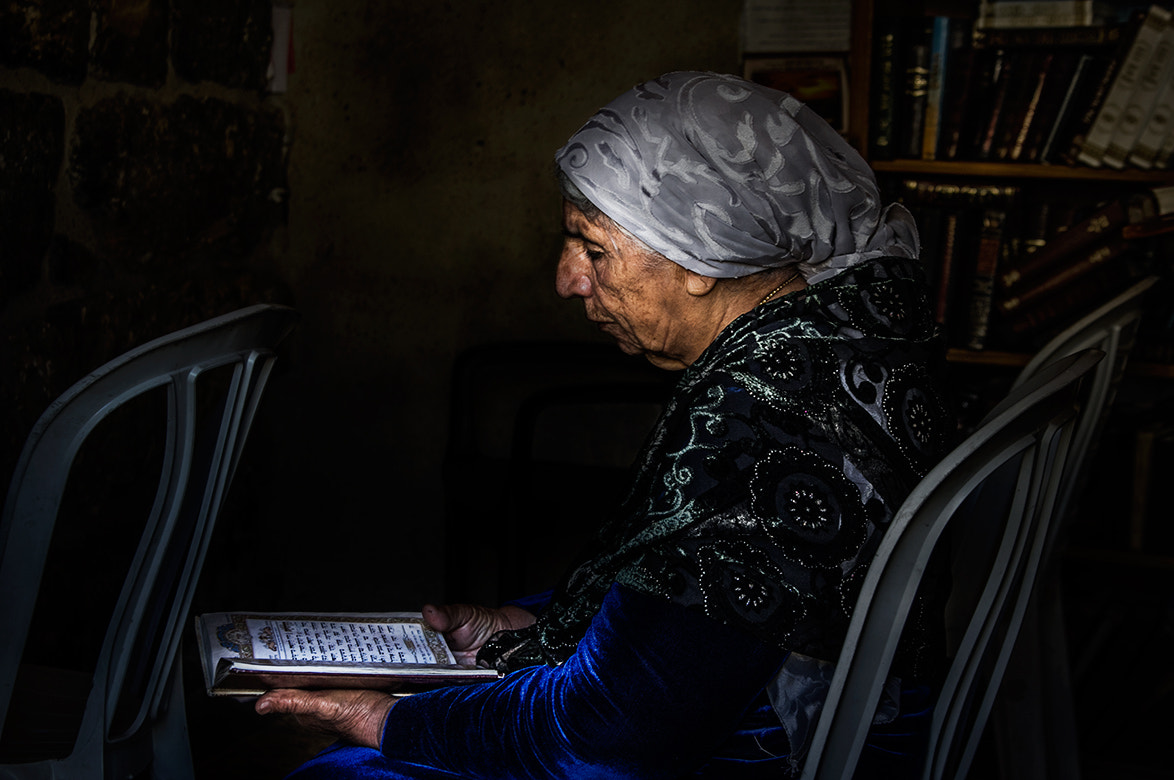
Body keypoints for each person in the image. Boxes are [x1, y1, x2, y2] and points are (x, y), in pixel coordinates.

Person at [256, 71, 957, 779]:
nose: (567, 279)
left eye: (592, 249)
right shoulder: (850, 337)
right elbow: (703, 619)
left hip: (766, 754)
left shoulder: (763, 412)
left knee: (338, 772)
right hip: (815, 716)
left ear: (700, 250)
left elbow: (607, 735)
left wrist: (386, 720)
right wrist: (530, 627)